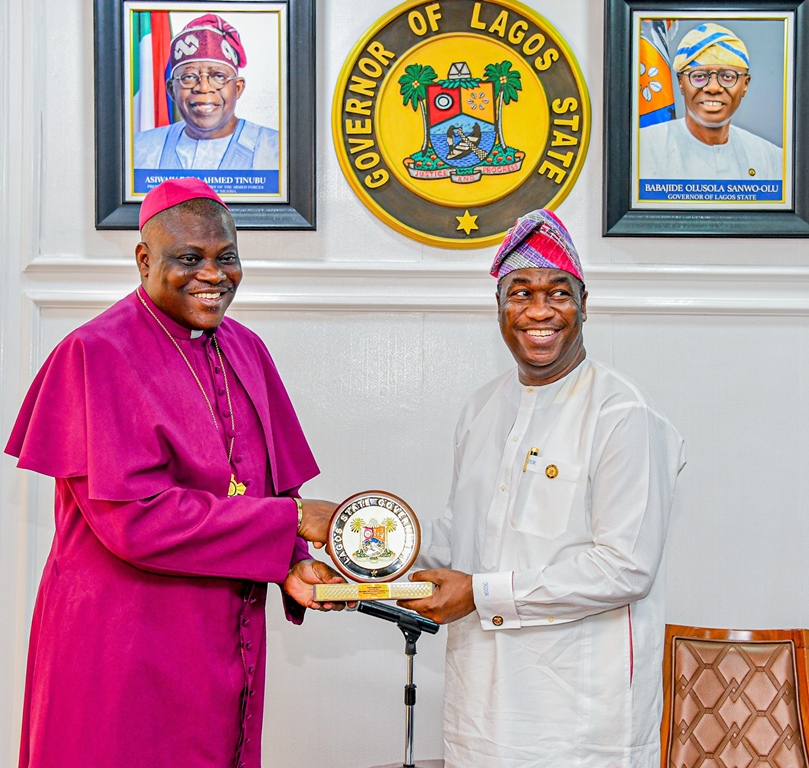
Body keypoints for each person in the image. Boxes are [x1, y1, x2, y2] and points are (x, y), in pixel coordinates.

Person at [5, 177, 347, 768]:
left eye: (226, 257)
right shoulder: (96, 352)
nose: (212, 275)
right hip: (124, 642)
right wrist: (292, 519)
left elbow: (269, 482)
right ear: (144, 259)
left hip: (223, 635)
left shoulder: (247, 349)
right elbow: (135, 521)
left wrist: (293, 563)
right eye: (188, 258)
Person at [399, 209, 686, 767]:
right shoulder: (483, 407)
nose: (538, 310)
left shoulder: (622, 412)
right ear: (499, 308)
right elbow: (465, 536)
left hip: (579, 717)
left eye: (558, 293)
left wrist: (479, 593)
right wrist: (362, 537)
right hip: (481, 709)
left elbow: (625, 567)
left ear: (584, 306)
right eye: (520, 292)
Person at [134, 14, 278, 171]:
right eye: (189, 77)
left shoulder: (277, 149)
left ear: (237, 88)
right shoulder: (139, 149)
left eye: (218, 76)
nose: (203, 88)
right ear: (172, 90)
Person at [639, 22, 783, 180]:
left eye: (728, 76)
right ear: (680, 82)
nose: (713, 87)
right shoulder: (641, 150)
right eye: (699, 76)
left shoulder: (772, 160)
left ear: (745, 85)